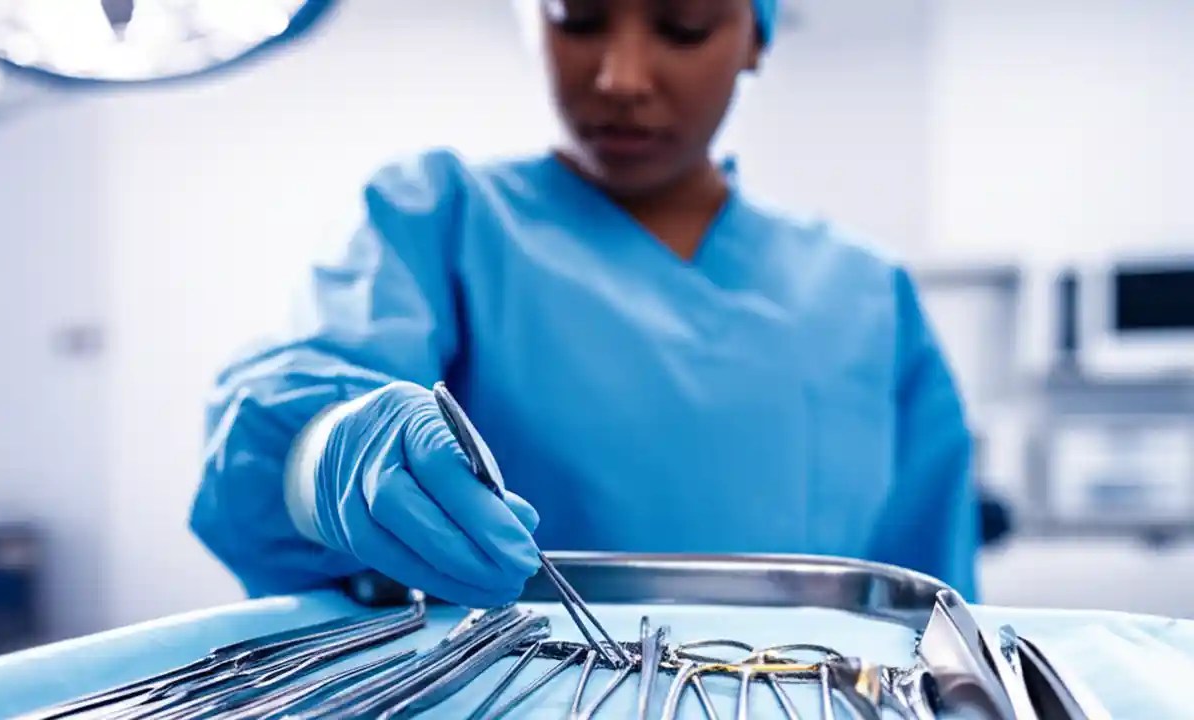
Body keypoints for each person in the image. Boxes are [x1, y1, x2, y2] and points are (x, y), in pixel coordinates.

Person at [190, 0, 980, 609]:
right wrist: (321, 454)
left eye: (684, 26)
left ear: (756, 38)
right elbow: (267, 440)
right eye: (579, 18)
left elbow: (935, 614)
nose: (622, 78)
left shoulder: (866, 295)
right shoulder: (443, 216)